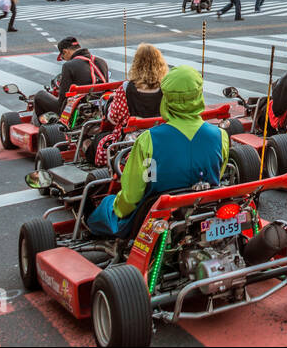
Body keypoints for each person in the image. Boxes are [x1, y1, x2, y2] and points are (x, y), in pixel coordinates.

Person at [87, 65, 229, 238]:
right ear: (199, 95)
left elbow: (132, 196)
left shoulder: (148, 139)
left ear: (166, 98)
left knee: (106, 205)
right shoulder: (220, 135)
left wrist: (117, 208)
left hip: (154, 217)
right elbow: (218, 173)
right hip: (204, 209)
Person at [95, 44, 168, 167]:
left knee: (101, 141)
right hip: (161, 136)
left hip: (132, 140)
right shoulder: (167, 88)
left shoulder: (126, 88)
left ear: (136, 64)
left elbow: (113, 118)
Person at [33, 36, 111, 118]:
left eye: (62, 57)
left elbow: (62, 100)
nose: (64, 59)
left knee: (39, 95)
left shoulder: (68, 66)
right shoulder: (102, 62)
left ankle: (44, 124)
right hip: (100, 104)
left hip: (78, 108)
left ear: (65, 51)